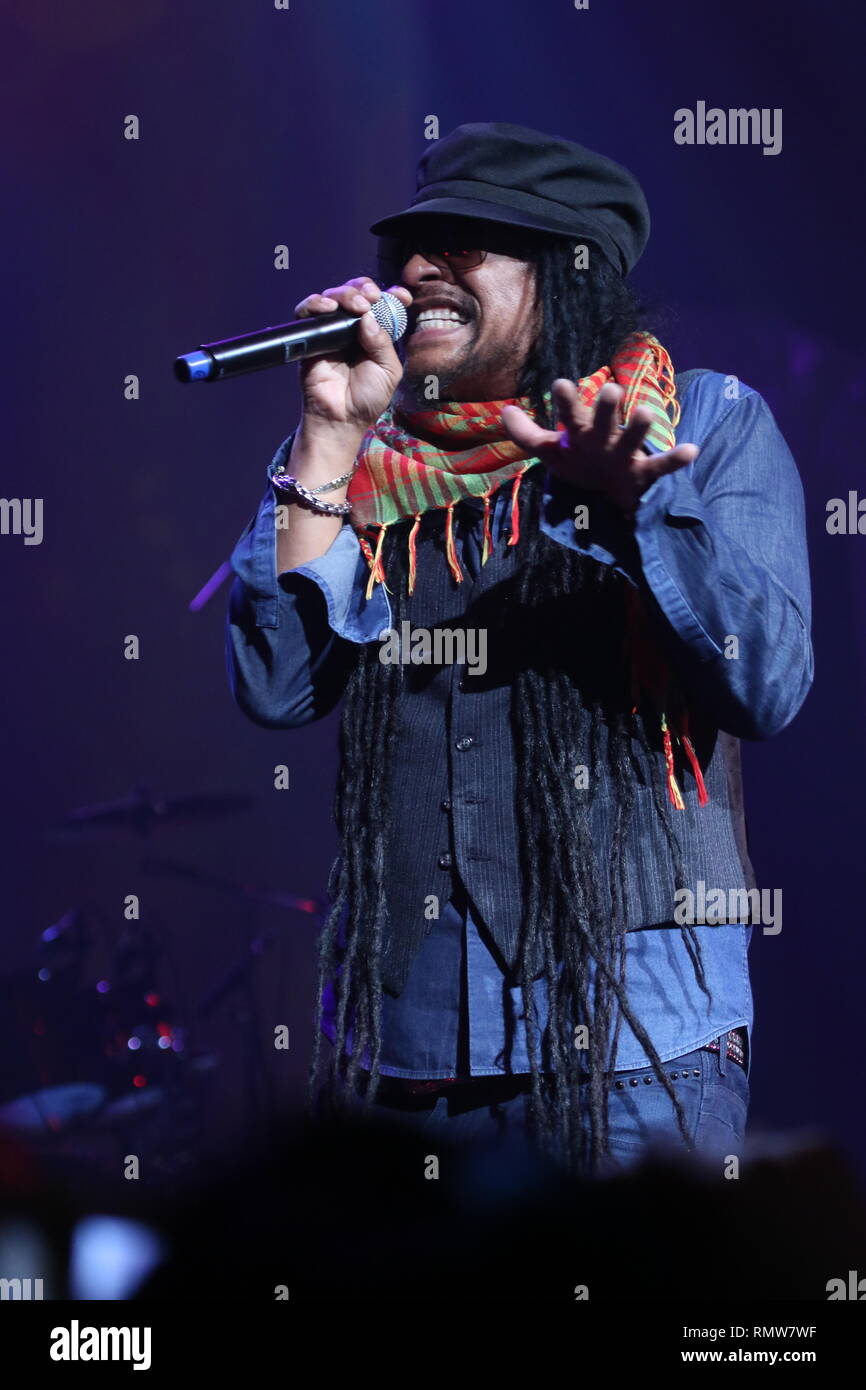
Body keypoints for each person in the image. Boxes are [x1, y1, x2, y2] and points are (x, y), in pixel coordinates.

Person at [226, 122, 813, 1172]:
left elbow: (765, 682)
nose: (418, 270)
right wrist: (325, 436)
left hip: (634, 1053)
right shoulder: (362, 462)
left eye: (464, 245)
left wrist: (633, 510)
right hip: (401, 1060)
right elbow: (274, 688)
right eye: (410, 248)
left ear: (566, 274)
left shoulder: (704, 422)